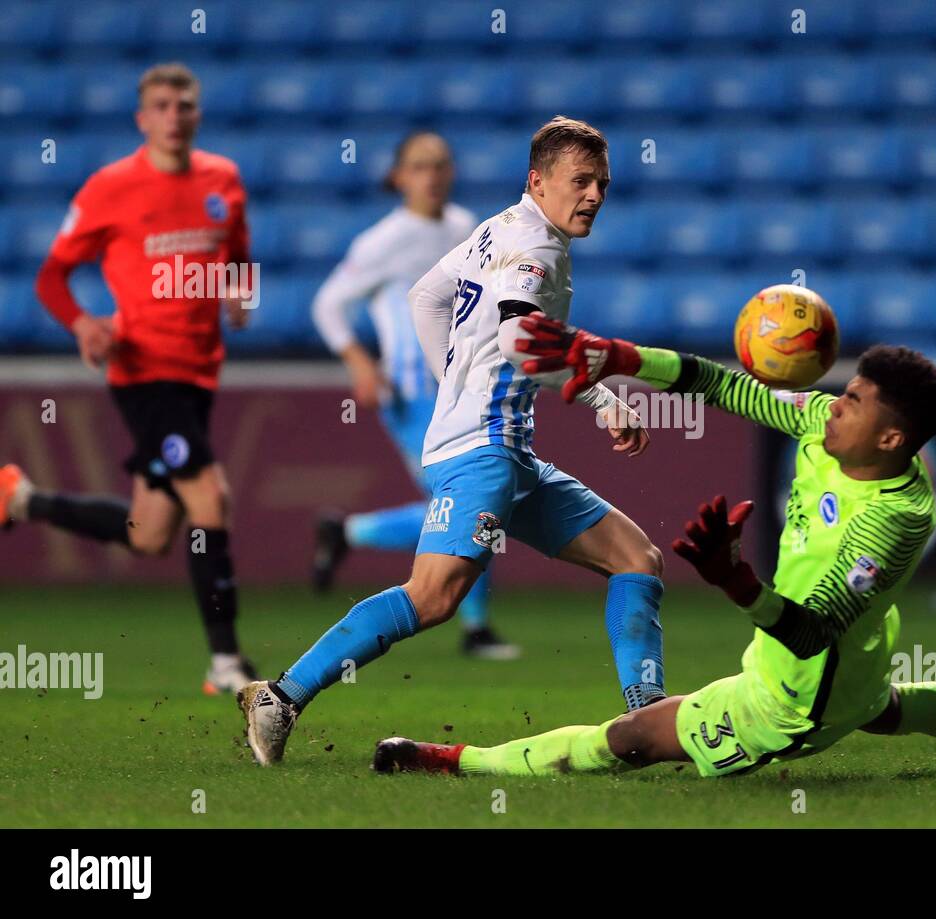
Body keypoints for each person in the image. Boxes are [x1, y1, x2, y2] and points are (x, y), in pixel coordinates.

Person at [371, 330, 936, 779]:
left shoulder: (894, 518)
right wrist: (616, 356)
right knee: (896, 707)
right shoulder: (827, 428)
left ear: (893, 439)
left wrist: (736, 582)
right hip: (860, 665)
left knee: (630, 739)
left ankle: (451, 760)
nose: (837, 403)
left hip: (797, 695)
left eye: (858, 401)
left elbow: (809, 630)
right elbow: (730, 387)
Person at [238, 117, 668, 766]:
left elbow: (425, 295)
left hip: (506, 446)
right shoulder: (537, 250)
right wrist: (604, 396)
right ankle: (282, 695)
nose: (594, 195)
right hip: (483, 449)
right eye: (580, 181)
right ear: (539, 181)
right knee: (434, 595)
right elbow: (522, 341)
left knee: (638, 557)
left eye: (602, 183)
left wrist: (453, 380)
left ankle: (648, 719)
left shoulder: (495, 227)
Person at [1, 63, 258, 695]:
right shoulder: (109, 188)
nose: (175, 115)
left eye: (185, 105)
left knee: (150, 534)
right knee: (210, 498)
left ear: (197, 115)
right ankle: (225, 661)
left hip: (199, 373)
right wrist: (84, 324)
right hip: (144, 370)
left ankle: (20, 499)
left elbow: (239, 255)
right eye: (163, 106)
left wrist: (238, 296)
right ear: (142, 119)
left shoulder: (223, 179)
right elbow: (50, 277)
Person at [309, 130, 517, 660]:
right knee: (469, 499)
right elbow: (328, 304)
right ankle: (474, 627)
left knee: (465, 501)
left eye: (442, 164)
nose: (433, 175)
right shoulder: (384, 240)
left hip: (459, 385)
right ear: (399, 176)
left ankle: (347, 531)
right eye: (421, 166)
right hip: (409, 390)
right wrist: (360, 361)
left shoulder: (464, 226)